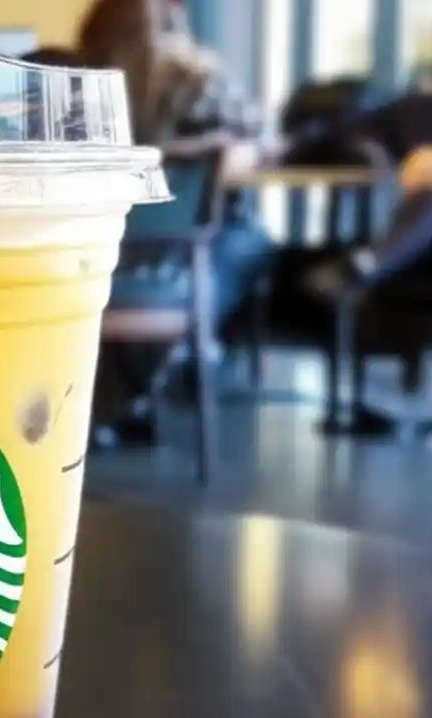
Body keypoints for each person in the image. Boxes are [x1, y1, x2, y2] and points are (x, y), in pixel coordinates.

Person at [71, 0, 270, 446]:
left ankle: (114, 402)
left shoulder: (77, 86)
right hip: (179, 261)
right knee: (242, 245)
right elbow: (258, 143)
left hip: (100, 254)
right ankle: (170, 366)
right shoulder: (198, 78)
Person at [312, 1, 432, 423]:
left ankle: (363, 267)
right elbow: (341, 136)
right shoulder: (419, 110)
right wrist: (396, 163)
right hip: (420, 247)